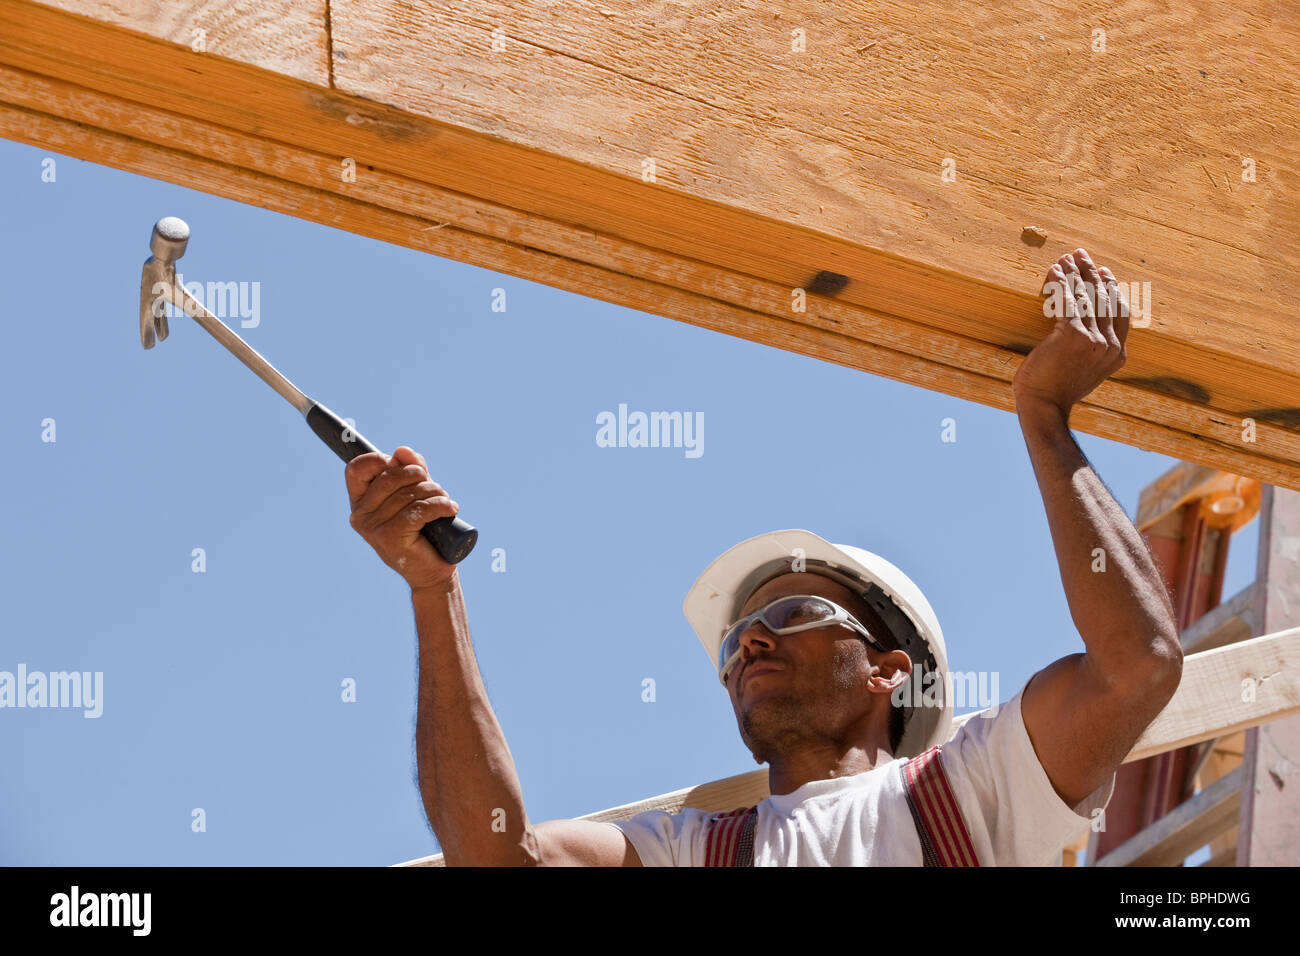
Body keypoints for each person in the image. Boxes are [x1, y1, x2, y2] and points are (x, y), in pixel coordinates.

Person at [343, 248, 1182, 865]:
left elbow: (1136, 666)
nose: (749, 641)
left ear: (890, 669)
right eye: (738, 634)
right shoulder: (692, 852)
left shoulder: (973, 789)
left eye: (789, 615)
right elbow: (495, 855)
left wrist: (1043, 413)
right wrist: (433, 589)